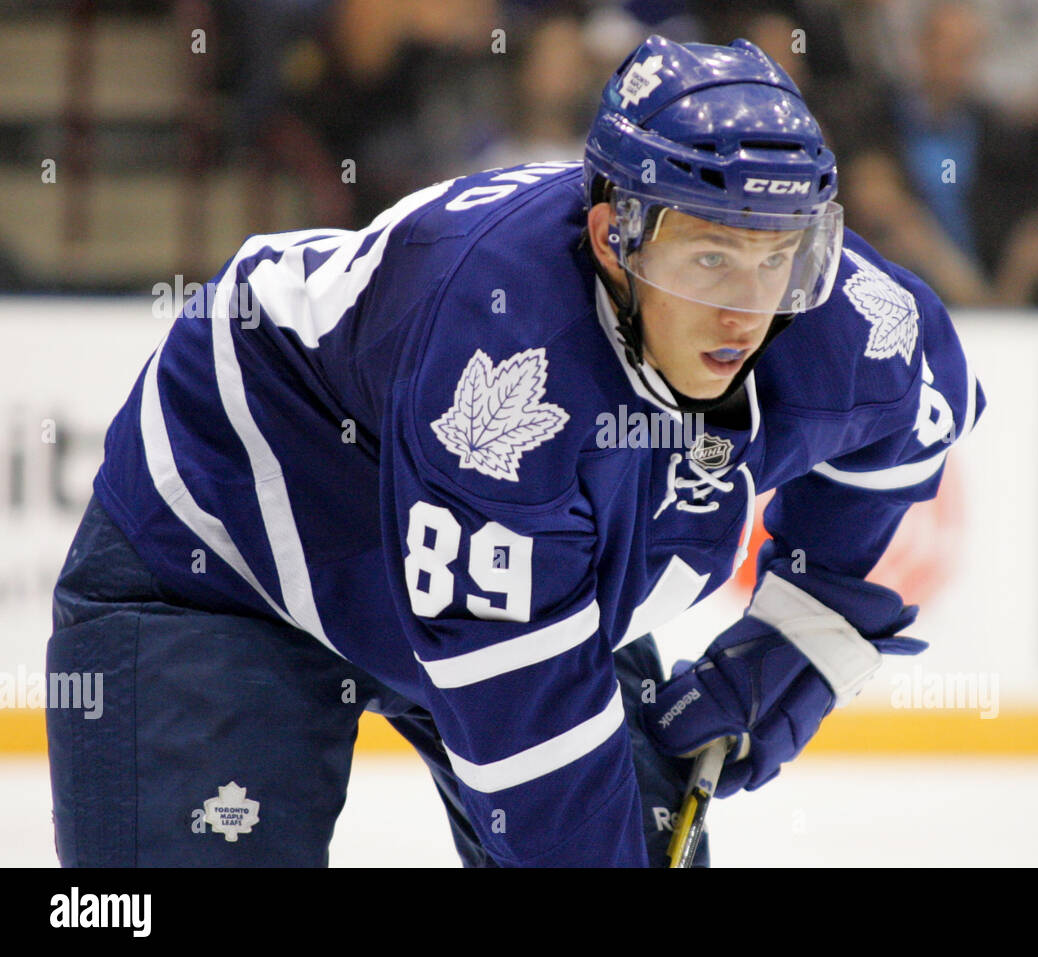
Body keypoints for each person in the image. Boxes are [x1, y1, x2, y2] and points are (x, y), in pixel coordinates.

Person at [46, 35, 985, 868]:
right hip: (231, 550)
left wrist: (807, 628)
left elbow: (908, 430)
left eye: (775, 254)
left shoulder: (842, 319)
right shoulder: (500, 367)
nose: (746, 308)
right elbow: (541, 778)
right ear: (613, 240)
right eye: (706, 256)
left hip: (514, 572)